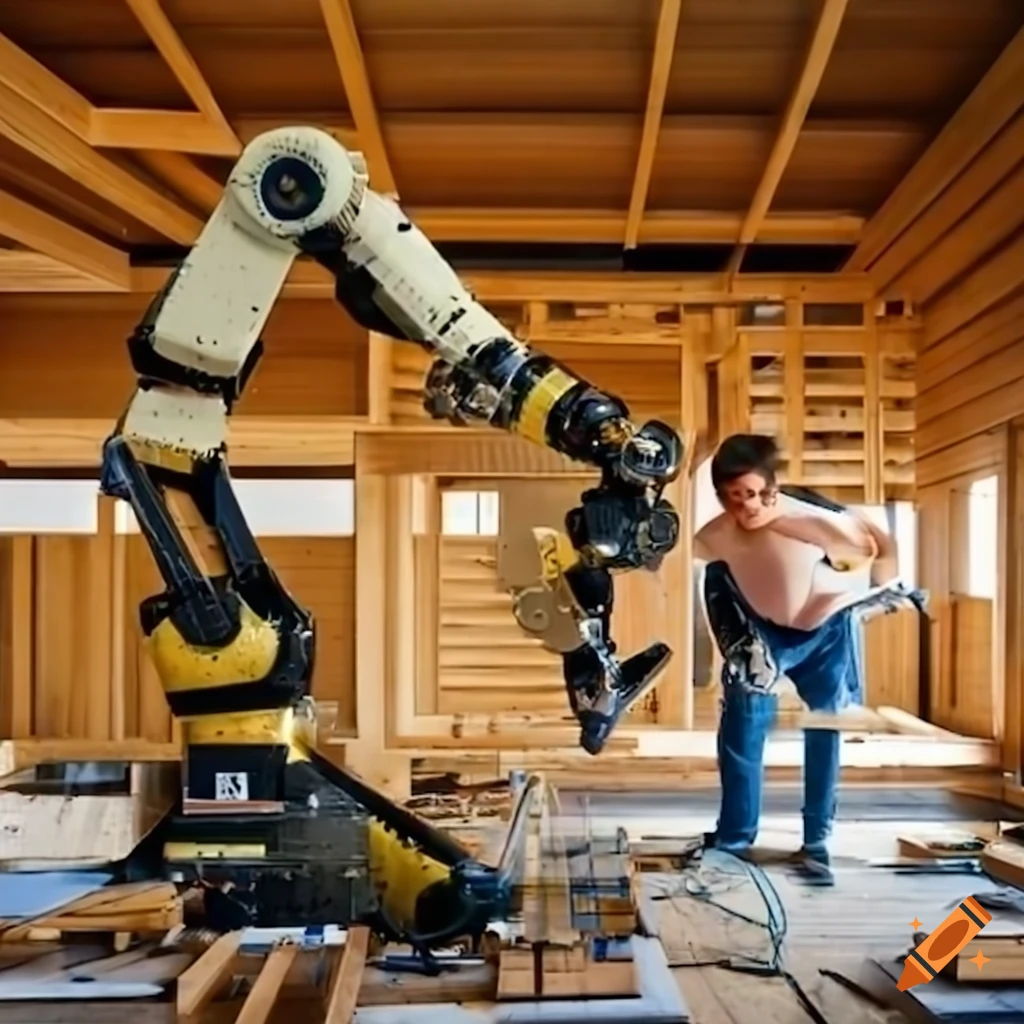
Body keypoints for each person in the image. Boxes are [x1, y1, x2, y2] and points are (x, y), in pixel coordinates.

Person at [694, 433, 900, 884]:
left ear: (771, 487)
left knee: (824, 726)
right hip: (762, 637)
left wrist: (878, 568)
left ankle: (817, 838)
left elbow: (881, 555)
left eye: (753, 494)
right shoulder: (715, 535)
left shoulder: (815, 520)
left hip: (825, 633)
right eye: (734, 498)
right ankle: (735, 837)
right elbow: (677, 559)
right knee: (743, 725)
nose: (747, 507)